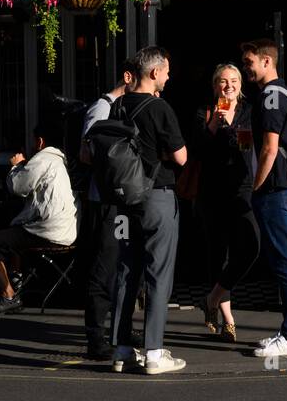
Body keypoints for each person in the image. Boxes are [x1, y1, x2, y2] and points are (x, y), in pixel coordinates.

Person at [107, 46, 189, 375]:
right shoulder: (160, 107)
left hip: (124, 201)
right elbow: (181, 157)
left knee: (126, 272)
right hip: (157, 196)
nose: (168, 77)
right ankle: (154, 352)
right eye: (166, 71)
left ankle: (122, 348)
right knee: (159, 273)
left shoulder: (117, 107)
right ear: (154, 73)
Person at [241, 38, 287, 358]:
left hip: (276, 190)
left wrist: (255, 188)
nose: (246, 68)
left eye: (250, 62)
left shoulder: (270, 98)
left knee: (285, 262)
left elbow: (269, 149)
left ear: (267, 61)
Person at [0, 116, 78, 315]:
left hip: (47, 231)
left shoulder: (43, 158)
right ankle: (16, 283)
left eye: (33, 141)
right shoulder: (60, 161)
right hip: (65, 232)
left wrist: (16, 166)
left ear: (40, 141)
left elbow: (18, 186)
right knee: (14, 230)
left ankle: (8, 295)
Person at [196, 62, 261, 342]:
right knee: (217, 254)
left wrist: (231, 128)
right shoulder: (205, 112)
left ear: (240, 85)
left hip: (242, 189)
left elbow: (247, 151)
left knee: (248, 247)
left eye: (234, 80)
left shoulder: (248, 111)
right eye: (223, 81)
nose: (229, 86)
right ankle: (228, 320)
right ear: (215, 86)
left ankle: (211, 299)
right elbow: (196, 151)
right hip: (212, 192)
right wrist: (213, 124)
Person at [78, 61, 136, 360]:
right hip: (106, 200)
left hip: (124, 199)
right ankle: (95, 337)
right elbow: (85, 153)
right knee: (105, 266)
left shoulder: (126, 107)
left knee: (123, 266)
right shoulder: (102, 108)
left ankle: (120, 328)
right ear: (127, 77)